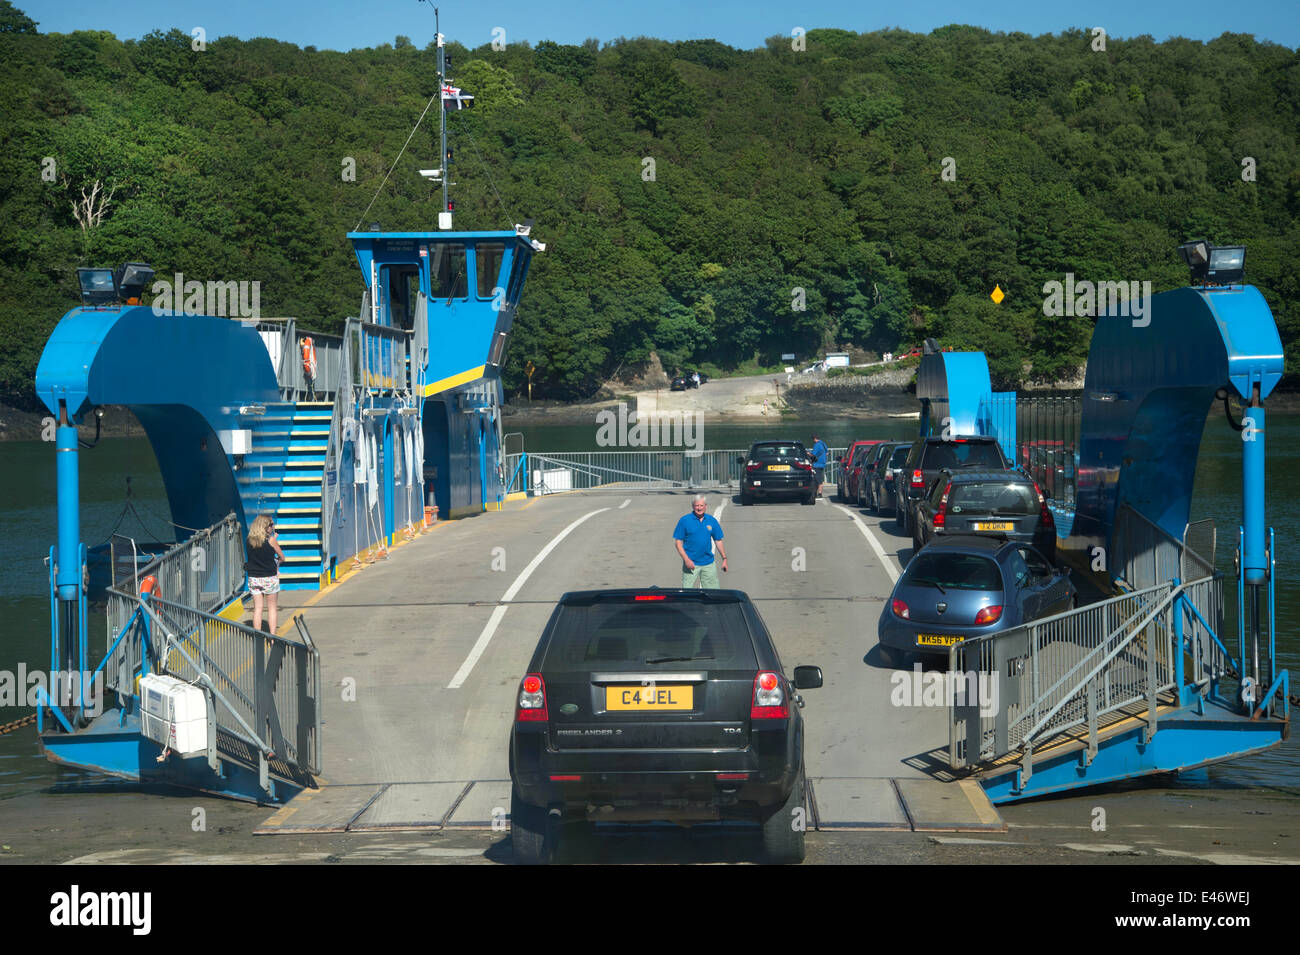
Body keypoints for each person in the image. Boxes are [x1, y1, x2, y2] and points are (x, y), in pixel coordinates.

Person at [672, 494, 727, 588]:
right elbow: (678, 543)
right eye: (697, 505)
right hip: (691, 563)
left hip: (708, 563)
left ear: (706, 506)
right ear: (693, 506)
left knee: (713, 593)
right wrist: (686, 559)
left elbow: (718, 540)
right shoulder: (685, 520)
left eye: (701, 505)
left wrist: (724, 559)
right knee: (687, 593)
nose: (699, 508)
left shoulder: (711, 520)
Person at [246, 515, 285, 633]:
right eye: (271, 525)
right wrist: (277, 562)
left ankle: (258, 636)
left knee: (257, 608)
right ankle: (272, 637)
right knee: (272, 608)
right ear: (265, 526)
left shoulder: (249, 540)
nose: (273, 527)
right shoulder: (271, 540)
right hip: (269, 577)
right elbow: (282, 557)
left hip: (254, 578)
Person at [808, 433, 828, 498]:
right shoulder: (823, 444)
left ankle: (819, 493)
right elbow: (827, 453)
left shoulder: (817, 445)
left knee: (817, 479)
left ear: (814, 439)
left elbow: (813, 455)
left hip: (817, 464)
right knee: (820, 479)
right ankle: (819, 493)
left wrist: (807, 453)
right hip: (822, 464)